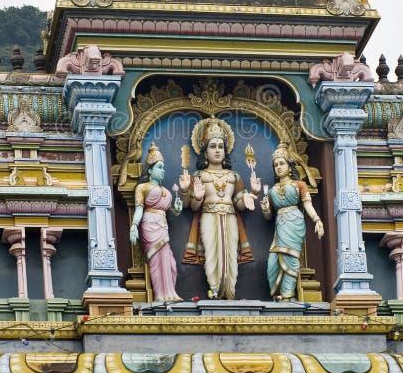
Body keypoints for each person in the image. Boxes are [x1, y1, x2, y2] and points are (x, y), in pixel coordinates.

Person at [180, 117, 260, 299]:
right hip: (208, 216)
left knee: (230, 255)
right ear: (204, 151)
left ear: (225, 150)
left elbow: (239, 203)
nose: (217, 151)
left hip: (230, 217)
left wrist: (251, 194)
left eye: (220, 147)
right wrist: (193, 194)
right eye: (212, 146)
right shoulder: (199, 175)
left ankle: (230, 291)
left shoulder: (233, 176)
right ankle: (215, 289)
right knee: (212, 254)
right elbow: (191, 206)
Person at [260, 143, 324, 301]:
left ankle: (288, 296)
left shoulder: (299, 185)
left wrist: (317, 220)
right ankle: (278, 294)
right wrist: (266, 209)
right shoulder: (272, 189)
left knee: (291, 259)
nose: (278, 167)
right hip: (280, 225)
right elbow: (268, 217)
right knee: (272, 265)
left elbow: (307, 205)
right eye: (275, 165)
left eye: (282, 163)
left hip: (294, 221)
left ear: (290, 167)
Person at [130, 143, 182, 302]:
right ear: (150, 170)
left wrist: (177, 210)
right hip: (150, 225)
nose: (163, 170)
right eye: (159, 167)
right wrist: (134, 226)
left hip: (163, 225)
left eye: (163, 167)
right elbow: (139, 209)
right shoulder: (142, 187)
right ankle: (160, 294)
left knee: (170, 264)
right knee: (156, 261)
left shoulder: (167, 191)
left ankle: (170, 293)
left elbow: (171, 211)